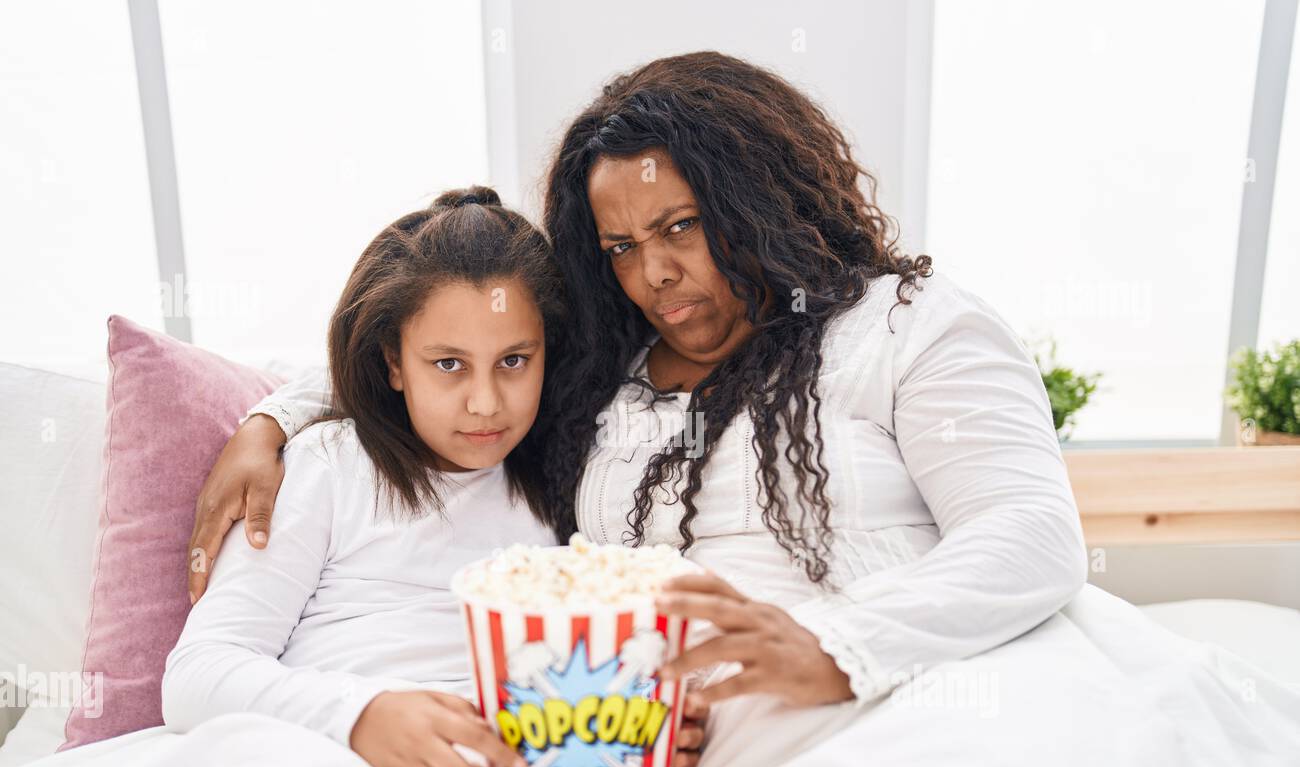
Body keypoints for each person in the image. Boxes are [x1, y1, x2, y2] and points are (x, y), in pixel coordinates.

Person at [187, 52, 1087, 721]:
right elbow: (451, 339)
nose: (653, 273)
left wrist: (838, 644)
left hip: (901, 703)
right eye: (619, 249)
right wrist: (276, 416)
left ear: (760, 201)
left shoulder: (907, 327)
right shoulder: (601, 377)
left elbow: (1032, 531)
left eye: (681, 226)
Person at [165, 186, 708, 767]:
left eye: (514, 361)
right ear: (394, 363)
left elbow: (575, 673)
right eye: (448, 364)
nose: (485, 403)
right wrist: (363, 715)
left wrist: (639, 724)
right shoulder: (329, 465)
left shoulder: (568, 479)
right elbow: (196, 677)